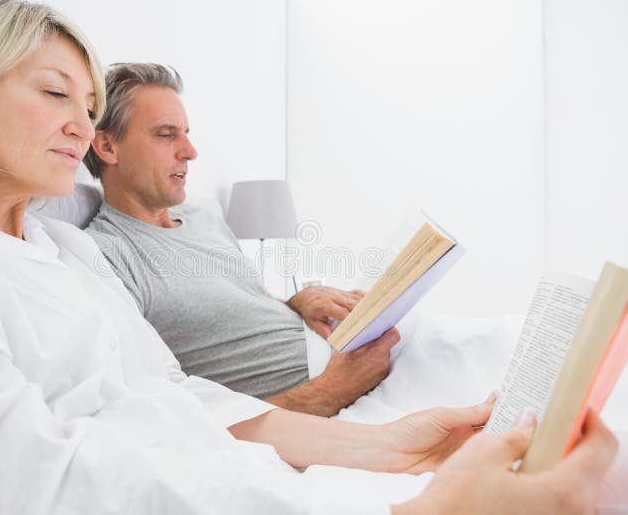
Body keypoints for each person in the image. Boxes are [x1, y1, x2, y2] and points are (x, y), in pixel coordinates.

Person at [0, 0, 617, 515]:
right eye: (55, 95)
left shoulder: (59, 252)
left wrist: (381, 447)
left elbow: (184, 398)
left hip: (226, 475)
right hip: (185, 493)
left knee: (587, 448)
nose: (79, 126)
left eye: (87, 107)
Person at [83, 63, 399, 416]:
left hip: (348, 348)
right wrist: (328, 393)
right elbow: (158, 413)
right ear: (108, 146)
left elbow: (247, 305)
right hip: (333, 389)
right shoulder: (103, 256)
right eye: (166, 134)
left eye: (186, 133)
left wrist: (296, 301)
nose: (190, 151)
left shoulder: (204, 217)